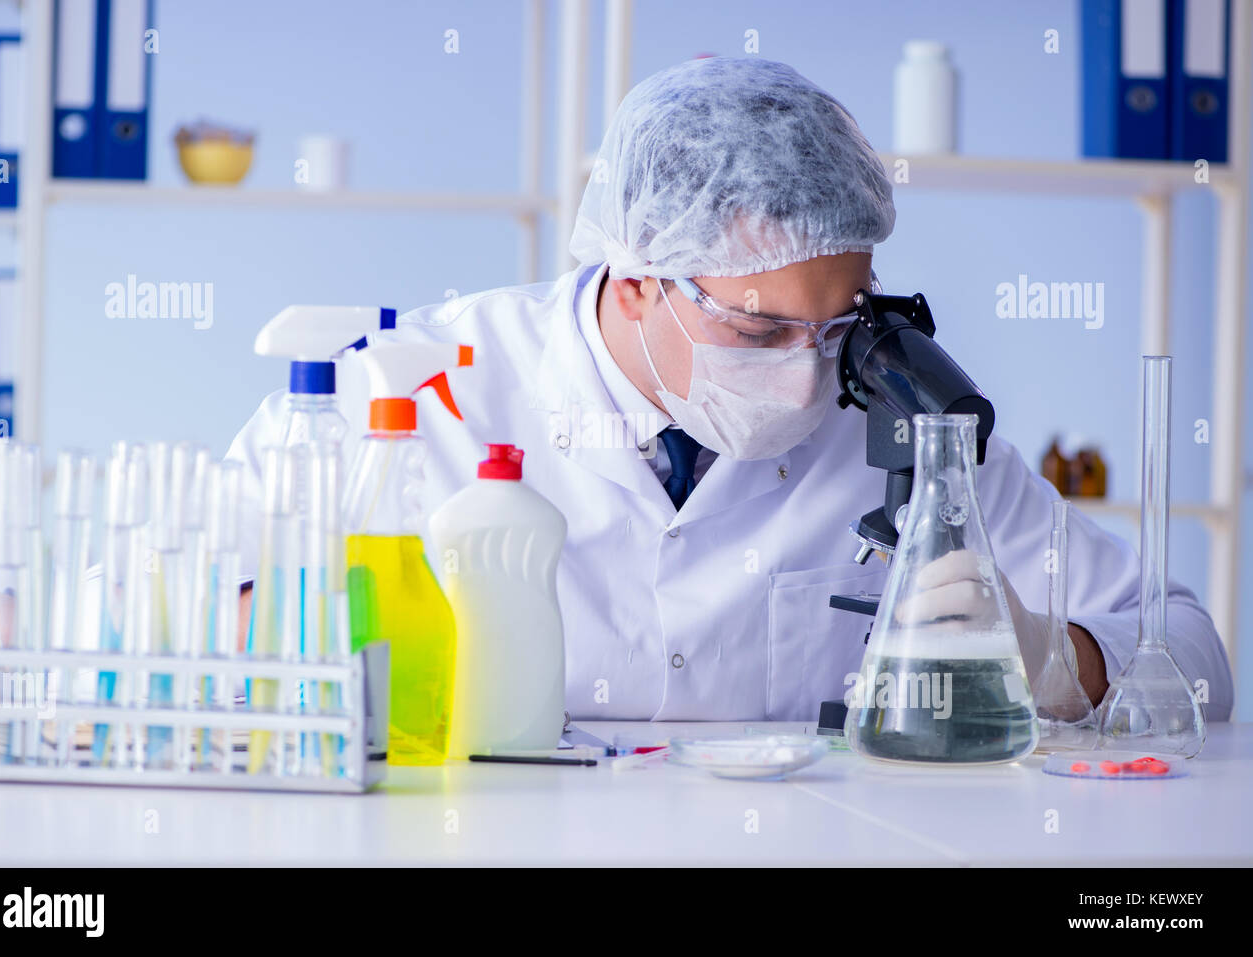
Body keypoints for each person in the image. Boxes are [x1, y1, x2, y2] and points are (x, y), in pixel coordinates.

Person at [226, 57, 1233, 722]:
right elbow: (198, 596)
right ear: (635, 278)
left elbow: (1197, 659)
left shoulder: (896, 421)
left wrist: (1053, 659)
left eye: (835, 320)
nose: (805, 369)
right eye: (756, 327)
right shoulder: (411, 389)